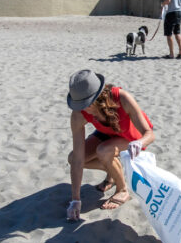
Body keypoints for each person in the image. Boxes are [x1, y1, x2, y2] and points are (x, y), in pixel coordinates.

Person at [66, 70, 155, 221]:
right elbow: (78, 159)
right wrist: (75, 200)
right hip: (109, 134)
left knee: (103, 151)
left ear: (97, 97)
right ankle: (113, 172)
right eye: (78, 104)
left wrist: (139, 143)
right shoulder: (78, 114)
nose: (81, 108)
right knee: (73, 157)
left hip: (131, 137)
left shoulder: (122, 98)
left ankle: (122, 190)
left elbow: (149, 134)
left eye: (85, 104)